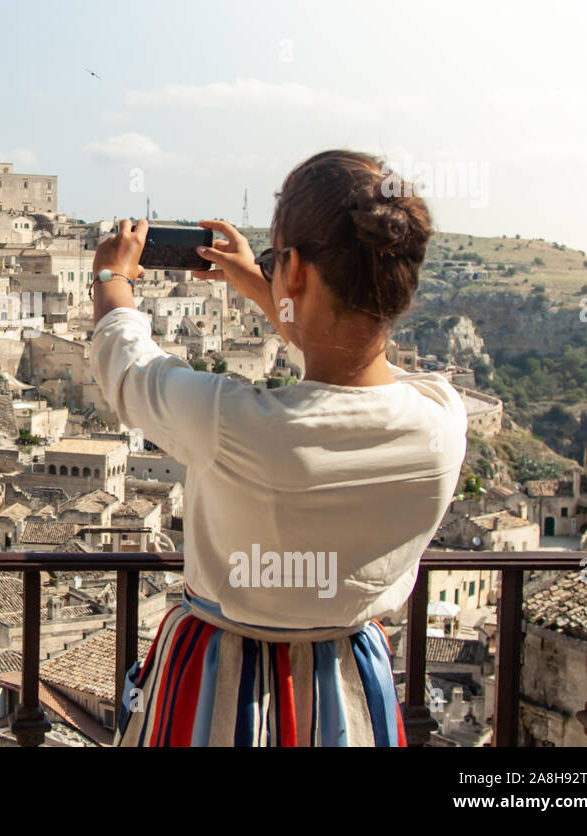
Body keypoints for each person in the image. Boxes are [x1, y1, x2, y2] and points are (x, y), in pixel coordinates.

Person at [89, 150, 467, 746]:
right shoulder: (442, 421)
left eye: (277, 259)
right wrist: (263, 282)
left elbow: (128, 370)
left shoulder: (235, 423)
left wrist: (114, 279)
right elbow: (350, 364)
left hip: (219, 682)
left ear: (297, 273)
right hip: (347, 682)